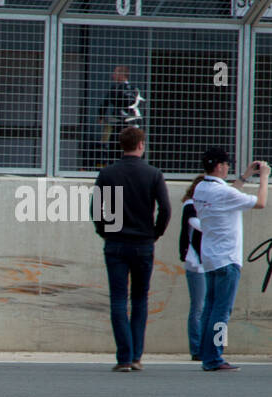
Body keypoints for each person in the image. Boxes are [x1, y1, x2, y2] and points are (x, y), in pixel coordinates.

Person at [93, 126, 171, 371]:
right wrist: (155, 233)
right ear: (141, 145)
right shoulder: (153, 174)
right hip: (143, 244)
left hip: (116, 243)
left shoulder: (108, 174)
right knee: (139, 300)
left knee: (118, 299)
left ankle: (124, 357)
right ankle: (136, 355)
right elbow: (166, 209)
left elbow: (97, 211)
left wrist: (105, 232)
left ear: (121, 145)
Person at [191, 148, 268, 371]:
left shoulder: (201, 188)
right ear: (219, 166)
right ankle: (214, 357)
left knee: (210, 308)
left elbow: (229, 195)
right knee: (222, 311)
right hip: (227, 258)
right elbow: (260, 202)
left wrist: (245, 177)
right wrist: (263, 178)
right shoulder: (223, 193)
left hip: (210, 258)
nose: (227, 168)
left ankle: (207, 355)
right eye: (226, 164)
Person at [178, 174, 207, 362]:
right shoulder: (190, 206)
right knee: (199, 307)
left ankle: (214, 346)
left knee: (216, 308)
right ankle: (197, 349)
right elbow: (197, 225)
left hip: (213, 262)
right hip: (197, 263)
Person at [97, 65, 144, 168]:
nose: (113, 75)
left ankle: (115, 166)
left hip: (119, 123)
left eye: (115, 73)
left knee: (115, 146)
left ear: (122, 75)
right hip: (132, 123)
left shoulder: (116, 88)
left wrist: (101, 116)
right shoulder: (135, 89)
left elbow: (104, 103)